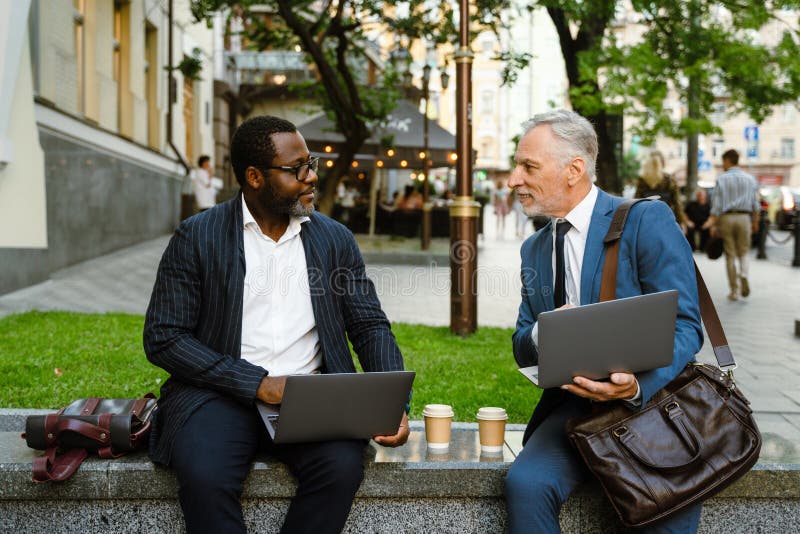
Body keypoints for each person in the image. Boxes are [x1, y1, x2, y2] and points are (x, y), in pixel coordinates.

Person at [143, 115, 409, 534]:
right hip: (218, 395)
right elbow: (164, 338)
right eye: (296, 168)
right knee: (205, 476)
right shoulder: (197, 236)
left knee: (341, 469)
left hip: (315, 394)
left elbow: (369, 323)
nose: (311, 177)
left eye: (312, 163)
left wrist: (391, 403)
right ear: (253, 177)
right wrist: (256, 383)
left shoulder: (333, 238)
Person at [505, 110, 703, 533]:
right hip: (576, 411)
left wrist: (635, 386)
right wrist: (544, 330)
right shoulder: (534, 249)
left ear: (574, 169)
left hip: (656, 407)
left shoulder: (645, 220)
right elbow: (521, 342)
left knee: (664, 506)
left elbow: (687, 325)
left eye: (528, 167)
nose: (513, 179)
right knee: (525, 484)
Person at [702, 149, 760, 301]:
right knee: (744, 251)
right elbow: (756, 204)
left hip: (726, 218)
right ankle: (744, 274)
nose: (723, 164)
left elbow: (717, 205)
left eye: (723, 161)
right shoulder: (750, 179)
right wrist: (755, 222)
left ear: (728, 160)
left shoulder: (721, 179)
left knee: (730, 254)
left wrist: (712, 223)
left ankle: (734, 290)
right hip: (744, 218)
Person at [635, 150, 689, 231]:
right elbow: (677, 204)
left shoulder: (642, 181)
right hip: (666, 221)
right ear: (663, 163)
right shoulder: (670, 180)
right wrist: (681, 222)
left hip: (646, 222)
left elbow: (636, 202)